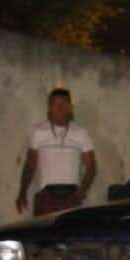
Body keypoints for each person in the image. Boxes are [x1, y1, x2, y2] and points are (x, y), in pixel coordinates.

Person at [16, 87, 96, 216]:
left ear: (70, 107)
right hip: (45, 197)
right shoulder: (38, 132)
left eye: (63, 104)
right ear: (49, 107)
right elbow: (30, 165)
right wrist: (22, 192)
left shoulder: (81, 133)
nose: (59, 108)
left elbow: (91, 166)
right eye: (55, 104)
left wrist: (82, 191)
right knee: (44, 235)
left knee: (71, 235)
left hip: (72, 198)